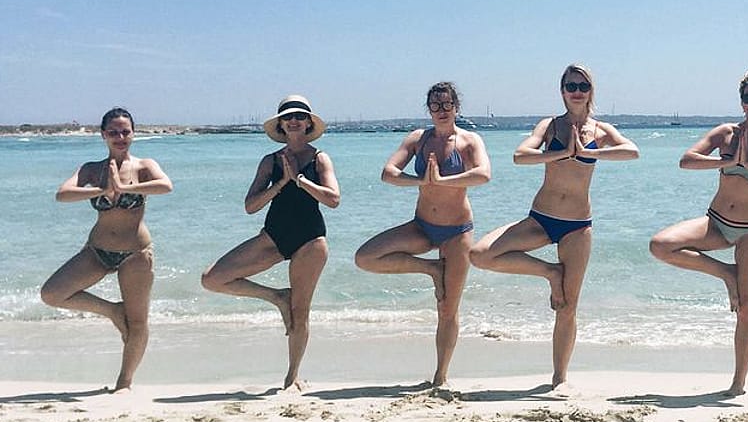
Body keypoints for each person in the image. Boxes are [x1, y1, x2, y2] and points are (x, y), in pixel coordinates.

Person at [470, 64, 639, 389]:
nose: (576, 91)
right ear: (562, 91)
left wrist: (592, 153)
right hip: (541, 218)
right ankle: (551, 272)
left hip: (577, 225)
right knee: (479, 254)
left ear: (591, 91)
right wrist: (561, 153)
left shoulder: (600, 130)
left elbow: (632, 151)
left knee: (568, 306)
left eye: (582, 86)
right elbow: (521, 156)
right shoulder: (549, 126)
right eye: (570, 85)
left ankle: (559, 379)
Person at [649, 70, 748, 396]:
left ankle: (737, 383)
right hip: (716, 223)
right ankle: (726, 274)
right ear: (741, 99)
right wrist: (728, 161)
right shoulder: (726, 133)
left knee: (747, 308)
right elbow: (687, 161)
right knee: (660, 245)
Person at [354, 82, 492, 387]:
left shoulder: (469, 140)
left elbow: (484, 174)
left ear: (456, 107)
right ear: (428, 109)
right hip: (421, 227)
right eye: (435, 105)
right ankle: (430, 268)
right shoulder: (418, 139)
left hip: (457, 232)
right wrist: (421, 181)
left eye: (446, 105)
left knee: (447, 307)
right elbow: (388, 173)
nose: (441, 111)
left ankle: (440, 377)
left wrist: (441, 181)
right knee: (365, 257)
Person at [201, 95, 340, 392]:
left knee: (301, 312)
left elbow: (333, 200)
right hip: (273, 236)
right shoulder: (270, 161)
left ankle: (292, 377)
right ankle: (277, 297)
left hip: (310, 241)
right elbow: (250, 206)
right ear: (280, 124)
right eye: (288, 117)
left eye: (300, 116)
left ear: (308, 123)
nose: (294, 120)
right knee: (212, 279)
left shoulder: (320, 158)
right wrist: (280, 183)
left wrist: (300, 181)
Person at [41, 107, 174, 392]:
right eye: (113, 132)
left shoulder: (143, 166)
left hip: (136, 254)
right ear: (103, 135)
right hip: (97, 251)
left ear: (133, 133)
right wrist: (103, 190)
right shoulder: (91, 169)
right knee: (51, 293)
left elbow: (166, 186)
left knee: (137, 321)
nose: (120, 137)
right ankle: (112, 311)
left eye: (125, 131)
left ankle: (124, 384)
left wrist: (124, 189)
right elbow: (62, 194)